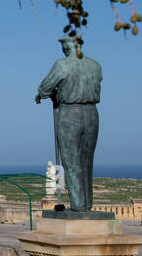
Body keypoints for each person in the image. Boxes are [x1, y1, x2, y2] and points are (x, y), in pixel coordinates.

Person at [35, 38, 102, 211]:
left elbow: (45, 87)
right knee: (87, 161)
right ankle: (87, 203)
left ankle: (78, 206)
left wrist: (47, 94)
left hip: (70, 113)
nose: (63, 50)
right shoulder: (95, 65)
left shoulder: (62, 65)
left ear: (67, 46)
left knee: (72, 161)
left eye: (63, 47)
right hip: (92, 114)